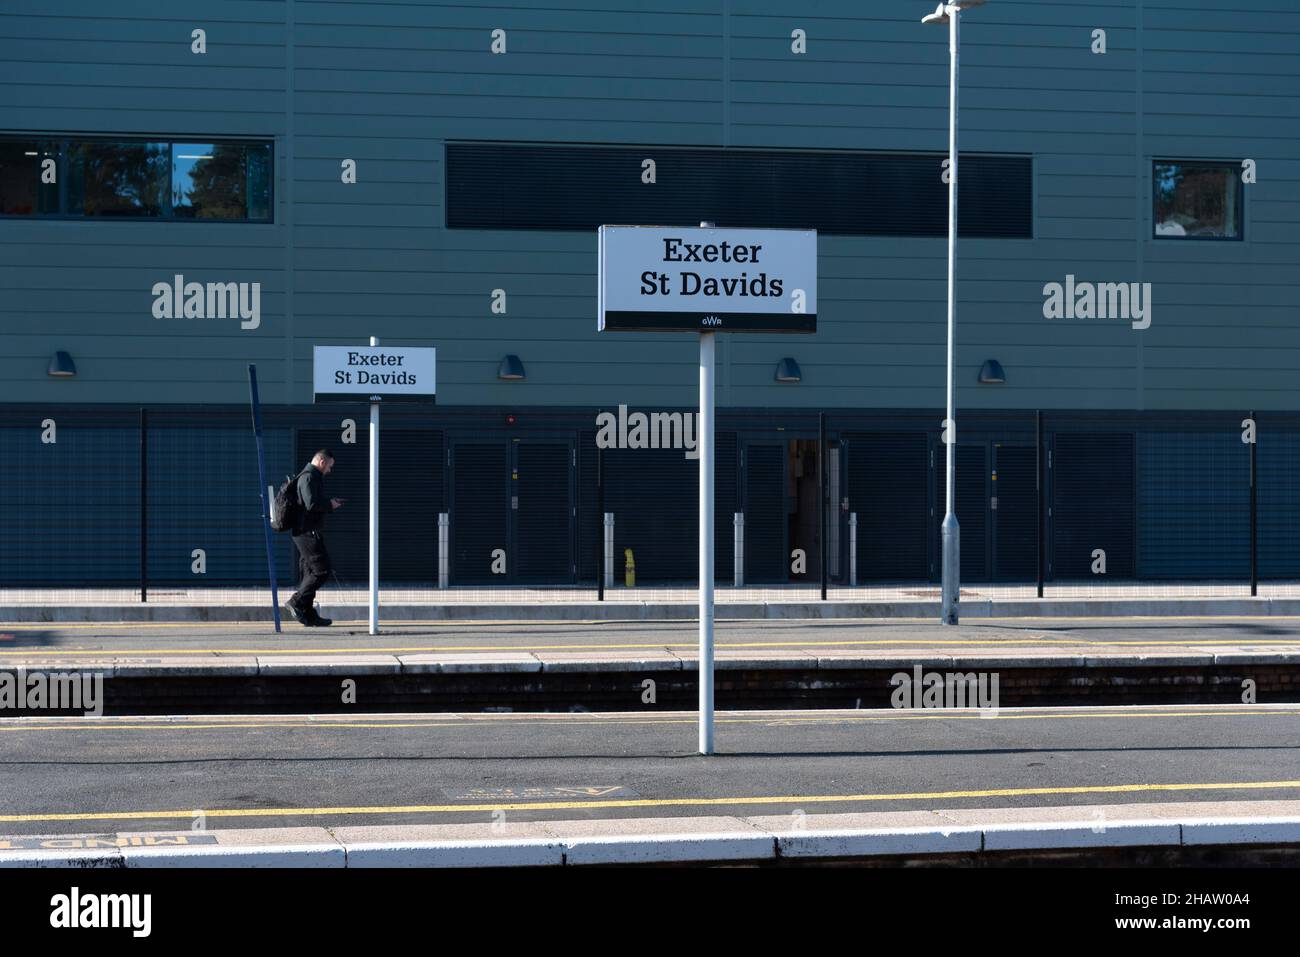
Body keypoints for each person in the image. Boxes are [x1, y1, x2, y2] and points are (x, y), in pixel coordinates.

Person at [285, 449, 344, 627]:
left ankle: (309, 613)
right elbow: (311, 504)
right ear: (321, 462)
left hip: (305, 531)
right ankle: (296, 602)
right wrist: (330, 505)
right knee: (321, 570)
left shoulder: (310, 476)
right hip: (306, 533)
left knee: (309, 573)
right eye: (329, 466)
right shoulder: (309, 477)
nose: (329, 471)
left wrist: (329, 503)